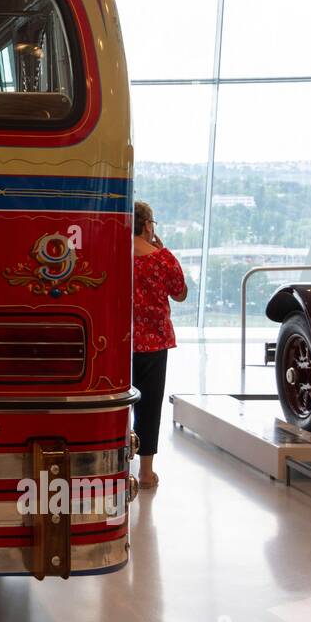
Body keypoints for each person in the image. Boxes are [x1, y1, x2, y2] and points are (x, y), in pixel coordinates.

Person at [131, 200, 186, 489]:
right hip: (154, 343)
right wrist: (162, 249)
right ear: (148, 225)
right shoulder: (161, 258)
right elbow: (180, 293)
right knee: (149, 406)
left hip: (117, 344)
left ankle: (114, 465)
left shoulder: (113, 254)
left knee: (118, 406)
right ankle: (146, 471)